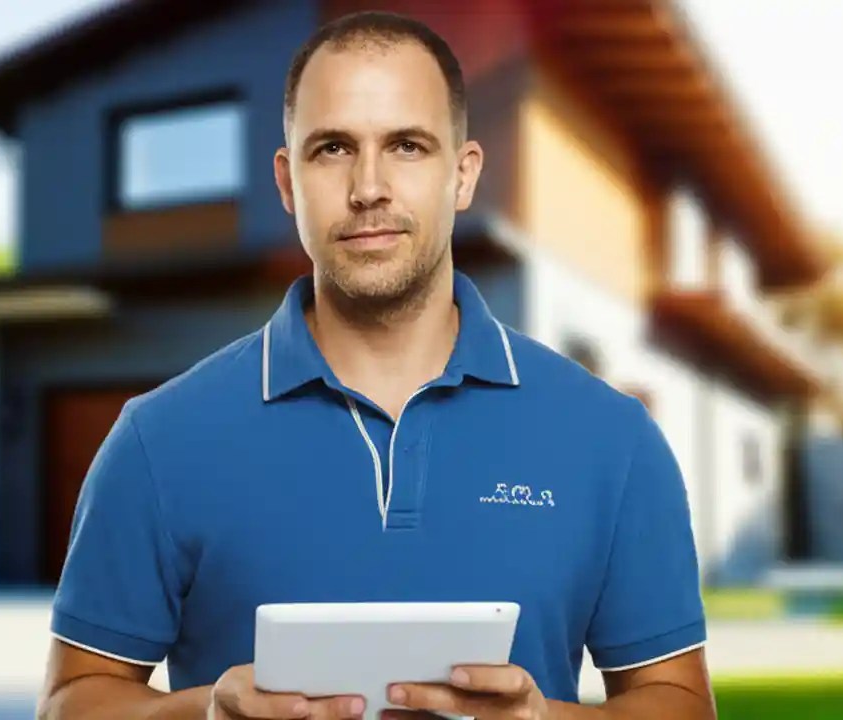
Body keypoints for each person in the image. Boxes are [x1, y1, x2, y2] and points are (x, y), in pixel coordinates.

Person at [37, 10, 714, 720]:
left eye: (407, 146)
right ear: (288, 181)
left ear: (463, 174)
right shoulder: (157, 440)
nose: (368, 187)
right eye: (332, 148)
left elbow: (680, 705)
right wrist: (204, 711)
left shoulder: (611, 438)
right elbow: (68, 704)